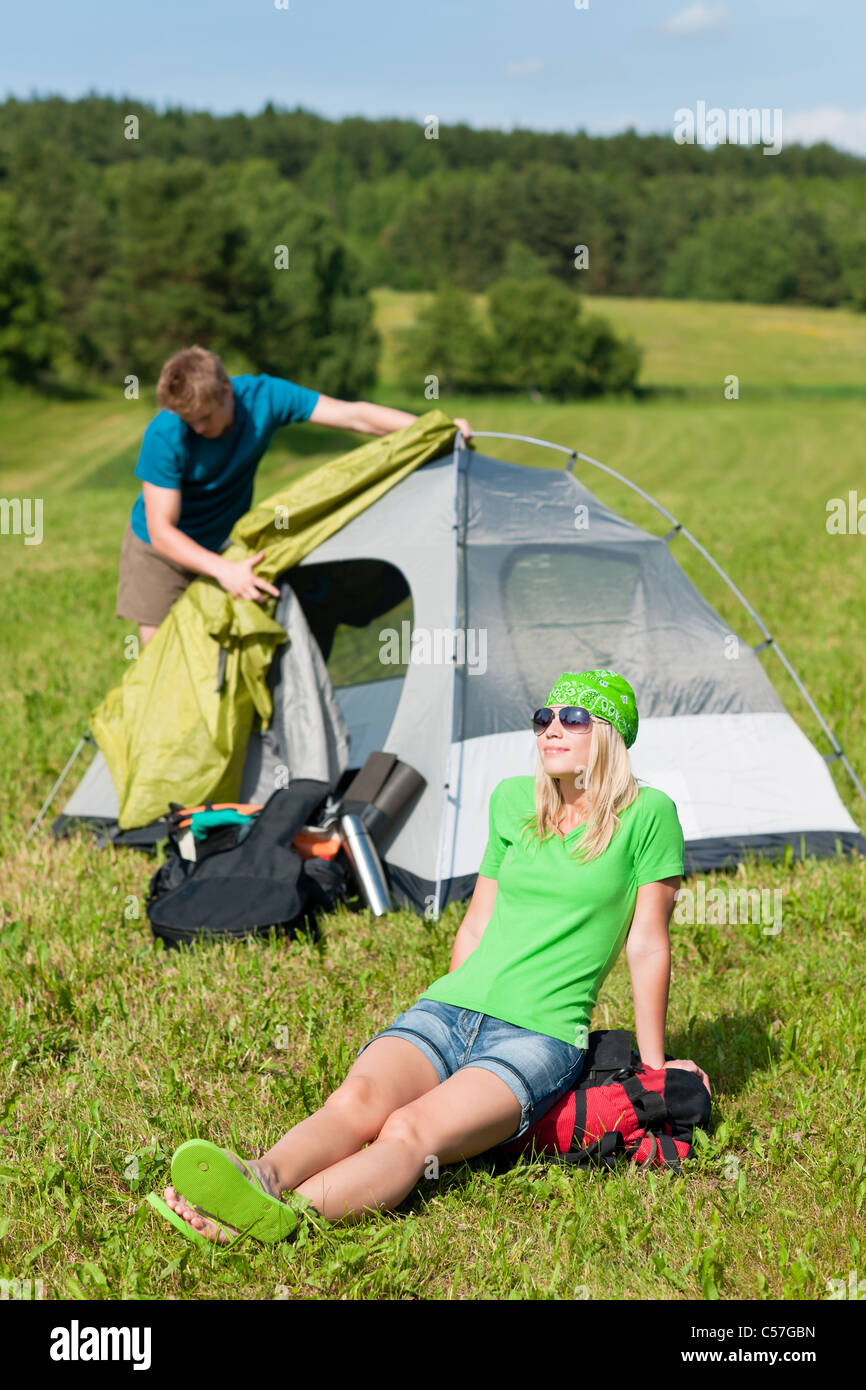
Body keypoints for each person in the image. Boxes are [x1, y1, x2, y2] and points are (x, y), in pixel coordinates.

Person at [159, 668, 710, 1245]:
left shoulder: (648, 815)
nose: (551, 729)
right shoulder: (513, 801)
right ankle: (260, 1177)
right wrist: (448, 1020)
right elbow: (476, 923)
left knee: (410, 1130)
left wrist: (654, 1068)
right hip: (450, 1011)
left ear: (610, 737)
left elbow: (648, 944)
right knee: (356, 1100)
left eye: (573, 719)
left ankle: (282, 1221)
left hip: (539, 1036)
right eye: (543, 718)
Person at [115, 344, 472, 647]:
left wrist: (436, 427)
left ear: (226, 391)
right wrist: (224, 571)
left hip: (222, 542)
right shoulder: (165, 433)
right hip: (158, 553)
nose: (197, 428)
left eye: (205, 417)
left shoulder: (265, 397)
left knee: (223, 645)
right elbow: (162, 530)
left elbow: (354, 416)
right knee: (159, 656)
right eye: (188, 421)